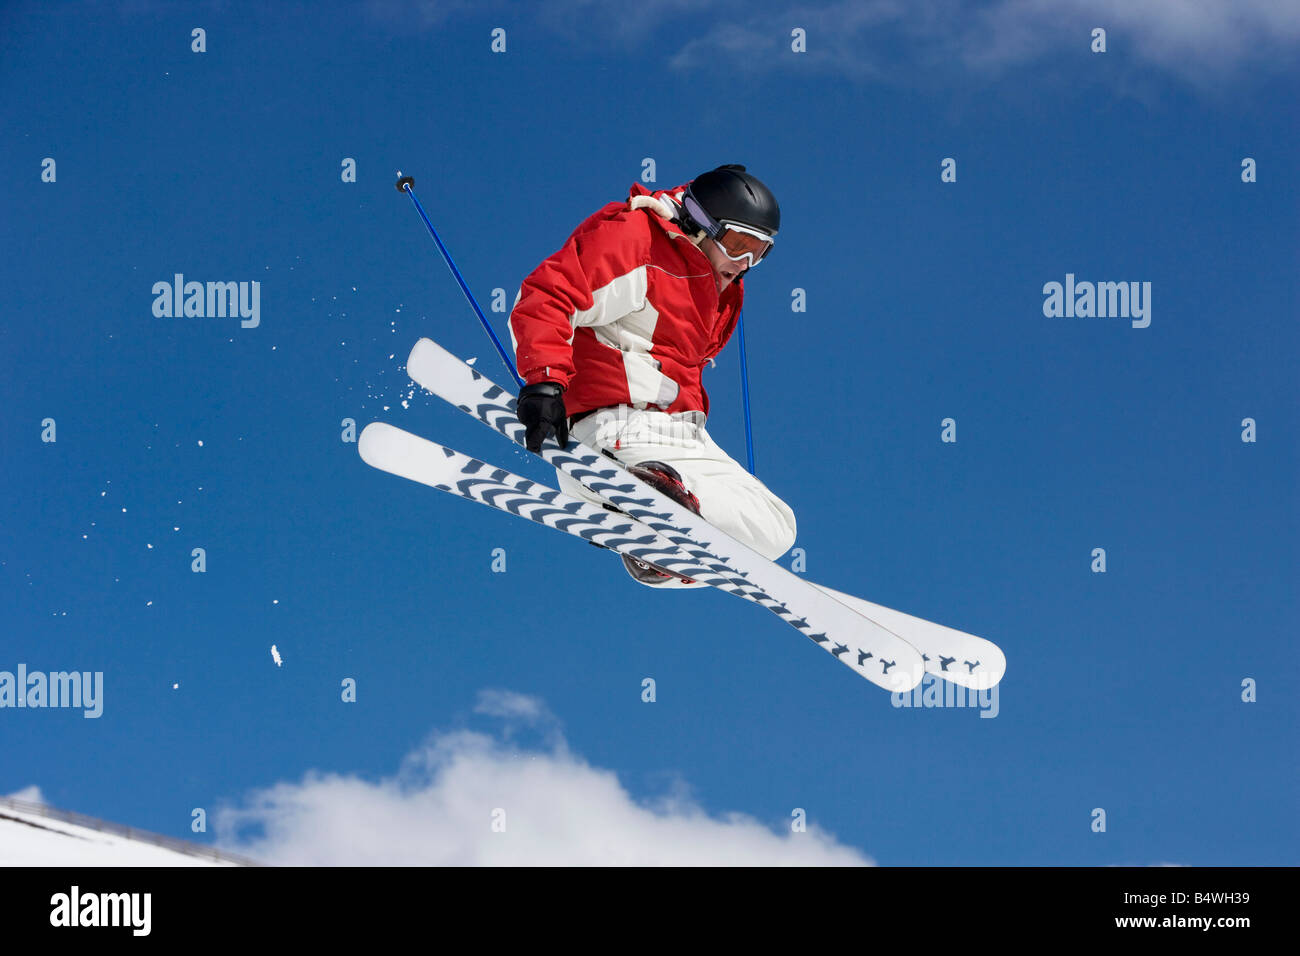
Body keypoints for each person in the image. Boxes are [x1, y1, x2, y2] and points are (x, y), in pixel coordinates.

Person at [508, 164, 797, 586]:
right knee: (756, 525)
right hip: (617, 428)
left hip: (679, 436)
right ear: (701, 224)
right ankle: (645, 493)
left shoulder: (714, 289)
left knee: (777, 527)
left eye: (760, 252)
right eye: (738, 244)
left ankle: (657, 522)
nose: (745, 263)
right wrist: (544, 380)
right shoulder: (639, 241)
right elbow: (548, 296)